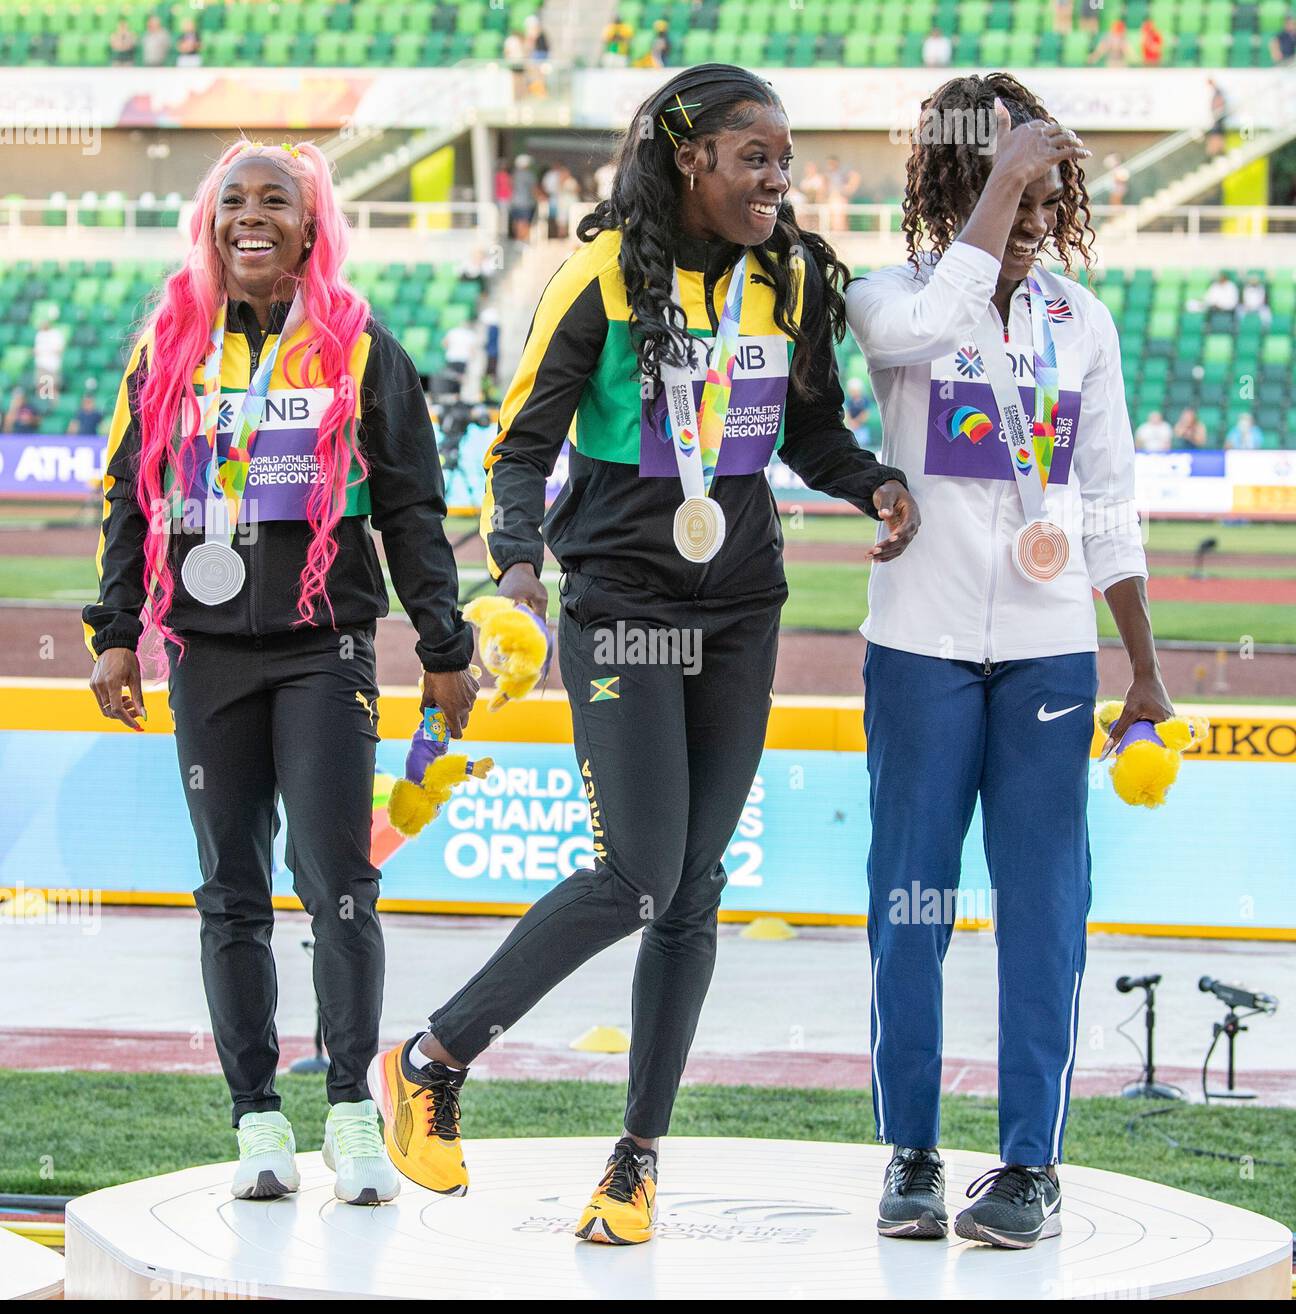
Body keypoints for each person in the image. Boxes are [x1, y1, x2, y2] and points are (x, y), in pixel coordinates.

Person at [368, 64, 918, 1247]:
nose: (779, 178)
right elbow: (520, 443)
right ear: (689, 160)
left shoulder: (794, 275)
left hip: (743, 604)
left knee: (696, 888)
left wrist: (869, 478)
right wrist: (515, 558)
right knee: (642, 874)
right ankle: (428, 1056)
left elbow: (811, 427)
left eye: (786, 158)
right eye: (754, 156)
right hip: (621, 598)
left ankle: (635, 1162)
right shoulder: (605, 272)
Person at [83, 139, 477, 1206]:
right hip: (204, 657)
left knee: (340, 884)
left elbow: (411, 509)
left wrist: (443, 644)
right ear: (210, 225)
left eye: (276, 202)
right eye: (232, 202)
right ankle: (256, 1116)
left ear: (312, 229)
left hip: (324, 648)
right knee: (230, 894)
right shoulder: (168, 350)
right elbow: (129, 498)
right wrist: (116, 631)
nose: (250, 217)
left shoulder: (359, 350)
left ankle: (350, 1106)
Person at [848, 74, 1170, 1250]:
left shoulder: (1084, 322)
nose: (1033, 199)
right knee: (912, 903)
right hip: (919, 650)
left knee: (1044, 907)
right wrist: (1002, 181)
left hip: (1047, 658)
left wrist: (1141, 665)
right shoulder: (891, 294)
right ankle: (914, 1153)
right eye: (1003, 173)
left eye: (1045, 180)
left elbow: (1110, 503)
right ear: (951, 174)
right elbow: (929, 333)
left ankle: (1031, 1164)